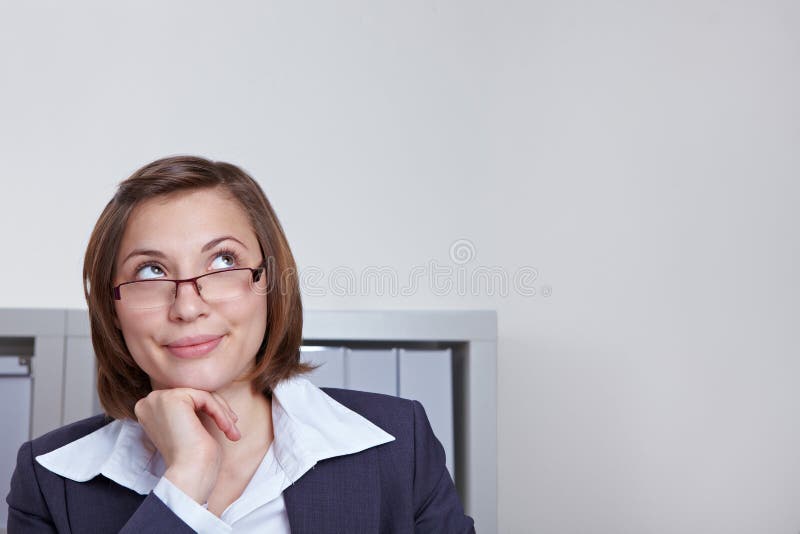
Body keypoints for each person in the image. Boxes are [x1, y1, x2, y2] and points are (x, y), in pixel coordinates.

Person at [5, 156, 475, 533]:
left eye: (223, 261)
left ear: (270, 283)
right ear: (112, 308)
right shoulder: (50, 481)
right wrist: (185, 480)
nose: (188, 306)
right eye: (151, 270)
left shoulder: (400, 446)